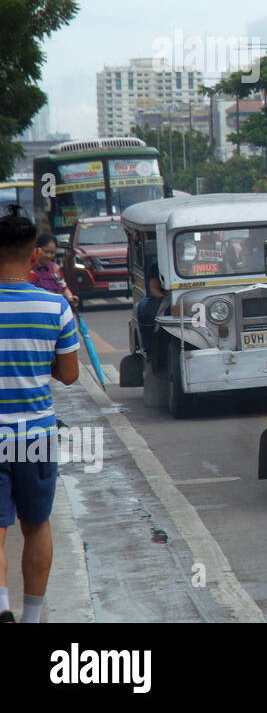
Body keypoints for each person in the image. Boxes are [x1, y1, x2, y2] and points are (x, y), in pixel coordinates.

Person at [0, 205, 80, 623]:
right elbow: (69, 375)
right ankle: (31, 618)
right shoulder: (55, 308)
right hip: (36, 435)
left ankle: (1, 610)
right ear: (34, 256)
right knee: (37, 524)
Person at [30, 234, 77, 309]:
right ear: (37, 250)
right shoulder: (28, 269)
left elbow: (64, 288)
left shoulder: (55, 269)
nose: (49, 256)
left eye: (52, 253)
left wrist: (71, 298)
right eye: (46, 252)